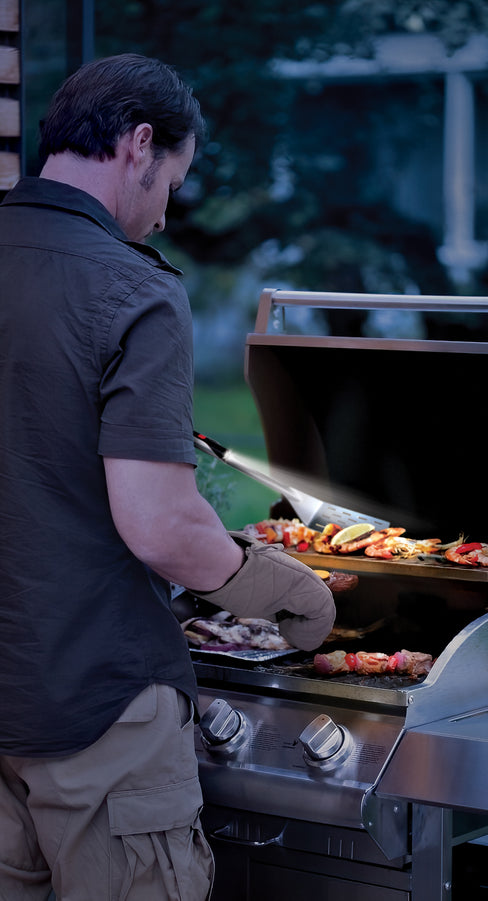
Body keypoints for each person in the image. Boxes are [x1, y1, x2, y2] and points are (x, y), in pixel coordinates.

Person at [0, 53, 335, 901]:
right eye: (171, 182)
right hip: (98, 711)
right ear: (138, 144)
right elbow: (158, 525)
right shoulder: (131, 288)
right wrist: (282, 588)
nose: (161, 212)